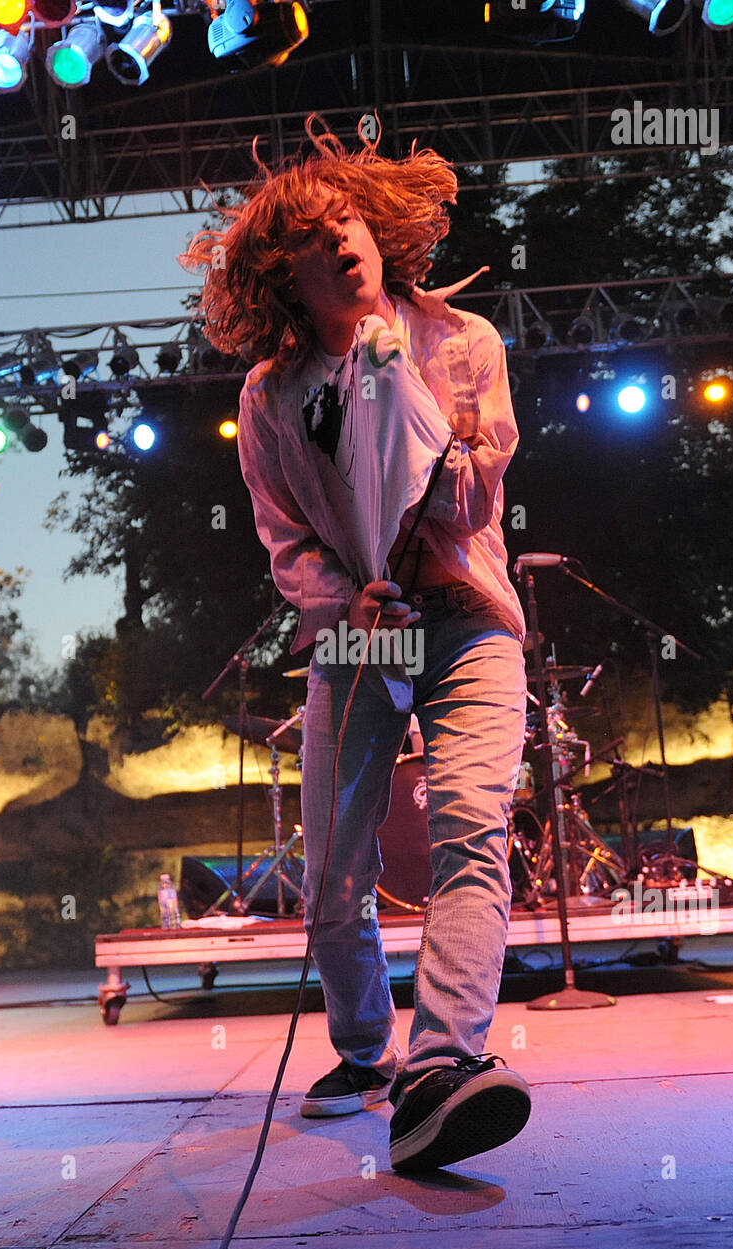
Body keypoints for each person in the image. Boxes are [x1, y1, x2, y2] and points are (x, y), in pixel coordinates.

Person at [182, 119, 531, 1172]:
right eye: (313, 240)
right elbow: (287, 542)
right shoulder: (271, 398)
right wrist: (345, 604)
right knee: (336, 860)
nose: (342, 244)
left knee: (472, 823)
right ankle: (363, 1051)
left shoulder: (462, 343)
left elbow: (473, 493)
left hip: (467, 619)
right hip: (362, 641)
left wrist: (400, 380)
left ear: (374, 232)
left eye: (349, 224)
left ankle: (442, 1064)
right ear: (283, 278)